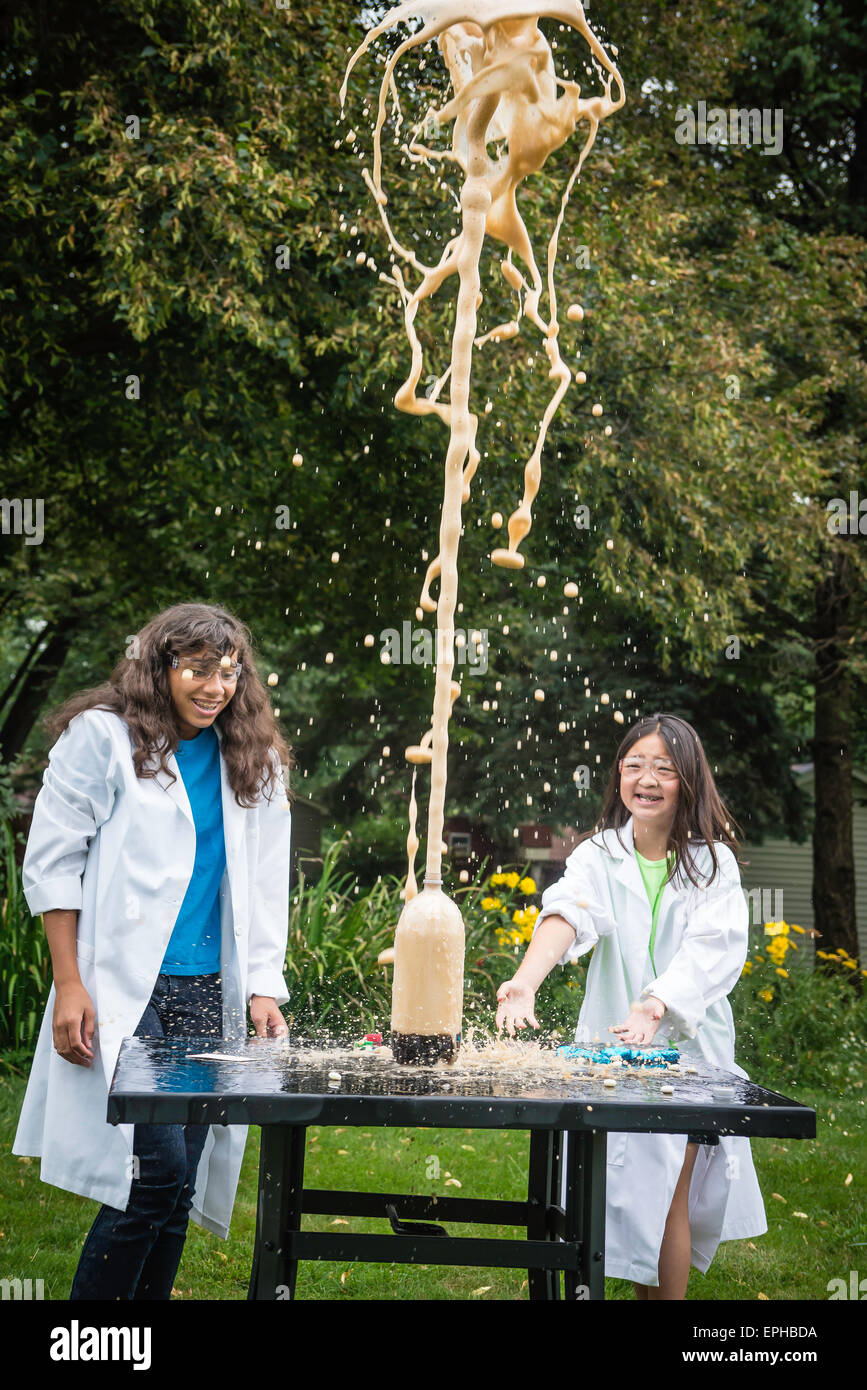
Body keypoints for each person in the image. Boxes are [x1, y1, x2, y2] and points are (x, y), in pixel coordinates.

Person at [13, 602, 293, 1300]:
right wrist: (70, 983)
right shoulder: (102, 738)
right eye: (198, 669)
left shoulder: (249, 755)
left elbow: (264, 881)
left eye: (228, 673)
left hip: (208, 991)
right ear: (160, 665)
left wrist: (262, 984)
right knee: (153, 1176)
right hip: (124, 992)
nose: (215, 687)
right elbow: (52, 863)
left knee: (177, 1189)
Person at [495, 712, 767, 1299]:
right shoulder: (599, 853)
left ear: (688, 782)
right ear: (618, 773)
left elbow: (710, 954)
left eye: (664, 769)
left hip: (688, 1059)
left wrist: (654, 1007)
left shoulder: (711, 864)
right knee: (615, 1194)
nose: (646, 779)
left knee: (669, 1192)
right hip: (612, 1055)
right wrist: (525, 980)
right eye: (634, 765)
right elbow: (567, 912)